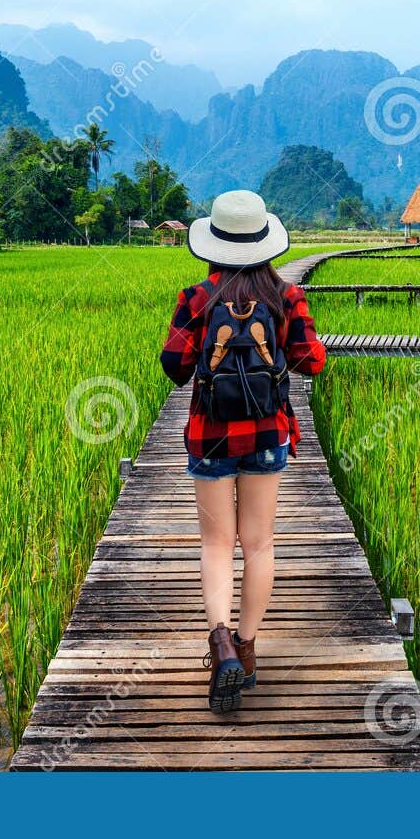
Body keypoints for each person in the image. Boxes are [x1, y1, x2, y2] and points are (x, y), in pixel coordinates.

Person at [159, 190, 326, 713]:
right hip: (268, 434)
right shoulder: (286, 296)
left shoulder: (197, 298)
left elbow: (174, 366)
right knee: (258, 544)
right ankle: (247, 650)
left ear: (214, 244)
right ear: (264, 243)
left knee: (216, 545)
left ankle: (220, 645)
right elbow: (312, 361)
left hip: (210, 436)